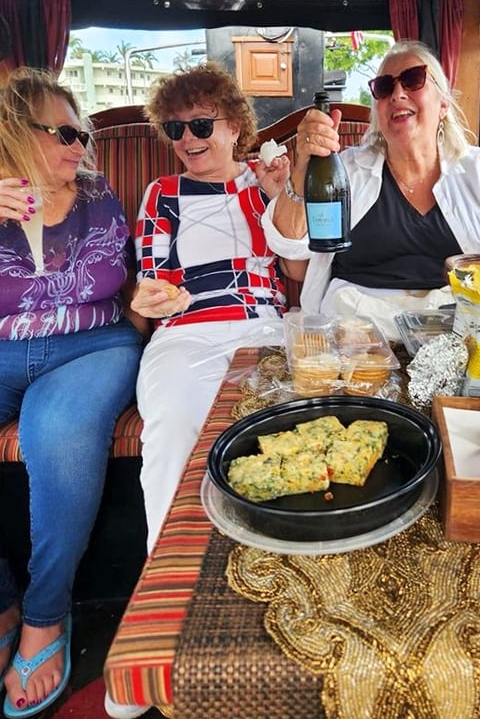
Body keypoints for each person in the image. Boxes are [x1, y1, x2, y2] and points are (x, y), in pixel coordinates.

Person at [103, 63, 293, 719]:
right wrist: (149, 296)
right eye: (177, 127)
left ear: (235, 125)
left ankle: (275, 610)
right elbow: (151, 275)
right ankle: (164, 625)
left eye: (202, 124)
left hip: (264, 327)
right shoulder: (161, 192)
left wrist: (277, 196)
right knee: (171, 440)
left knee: (273, 441)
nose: (188, 136)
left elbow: (297, 264)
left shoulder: (266, 178)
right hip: (185, 333)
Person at [0, 69, 146, 718]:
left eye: (83, 134)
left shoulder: (95, 191)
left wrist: (146, 328)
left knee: (56, 433)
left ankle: (44, 619)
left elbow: (123, 277)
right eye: (64, 133)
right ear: (14, 130)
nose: (81, 146)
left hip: (92, 345)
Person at [263, 39, 480, 334]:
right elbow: (293, 260)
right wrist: (302, 168)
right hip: (357, 332)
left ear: (443, 104)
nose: (398, 93)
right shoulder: (345, 172)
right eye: (385, 87)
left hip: (459, 332)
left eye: (413, 80)